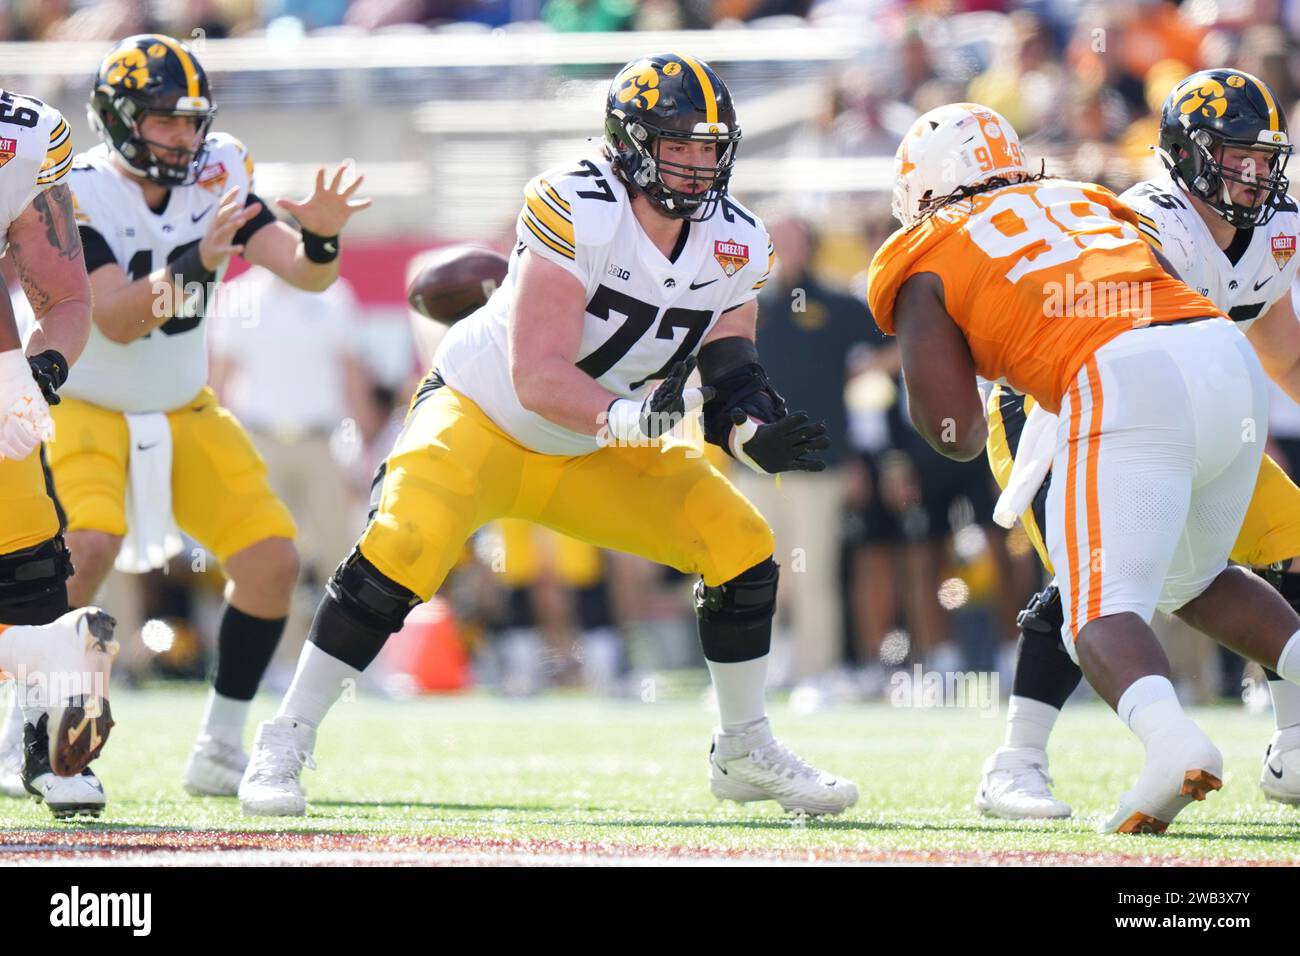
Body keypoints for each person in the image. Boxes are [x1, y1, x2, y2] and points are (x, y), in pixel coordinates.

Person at [238, 52, 858, 817]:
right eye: (680, 145)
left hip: (596, 440)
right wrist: (627, 418)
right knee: (399, 548)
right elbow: (536, 372)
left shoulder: (738, 239)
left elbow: (732, 367)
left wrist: (749, 434)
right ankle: (285, 738)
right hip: (486, 415)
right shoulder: (577, 202)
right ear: (631, 143)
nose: (699, 165)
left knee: (741, 543)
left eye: (710, 146)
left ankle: (743, 748)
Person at [869, 101, 1300, 833]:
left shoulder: (923, 253)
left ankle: (1172, 744)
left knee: (1095, 611)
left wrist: (985, 345)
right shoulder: (1082, 198)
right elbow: (1168, 291)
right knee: (1191, 578)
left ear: (919, 194)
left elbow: (955, 432)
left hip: (1116, 378)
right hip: (1223, 359)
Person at [20, 34, 369, 812]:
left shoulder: (222, 168)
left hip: (180, 402)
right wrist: (196, 267)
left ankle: (220, 743)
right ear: (118, 119)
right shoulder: (78, 188)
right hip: (83, 400)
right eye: (165, 122)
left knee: (273, 559)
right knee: (86, 550)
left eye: (192, 121)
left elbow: (306, 274)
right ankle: (35, 728)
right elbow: (112, 317)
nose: (185, 138)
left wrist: (319, 234)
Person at [0, 88, 119, 816]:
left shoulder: (23, 139)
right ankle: (41, 669)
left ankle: (41, 716)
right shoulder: (22, 135)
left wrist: (40, 375)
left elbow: (66, 301)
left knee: (31, 573)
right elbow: (69, 299)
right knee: (35, 579)